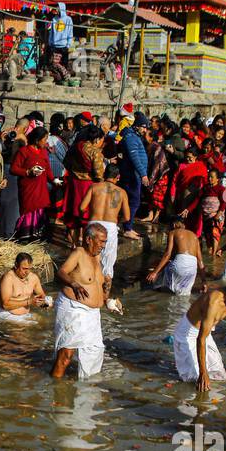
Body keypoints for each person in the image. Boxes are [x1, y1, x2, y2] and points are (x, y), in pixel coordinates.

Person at [174, 274, 226, 393]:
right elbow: (200, 339)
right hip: (188, 335)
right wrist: (203, 373)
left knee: (220, 376)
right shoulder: (214, 302)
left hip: (206, 335)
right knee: (197, 382)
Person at [51, 223, 109, 380]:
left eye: (105, 242)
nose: (103, 246)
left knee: (94, 352)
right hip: (74, 309)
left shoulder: (97, 257)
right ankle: (55, 390)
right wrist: (74, 284)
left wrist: (108, 299)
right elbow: (62, 271)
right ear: (89, 239)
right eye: (101, 241)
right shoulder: (79, 252)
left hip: (92, 314)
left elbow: (98, 284)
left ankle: (86, 395)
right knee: (66, 355)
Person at [79, 163, 130, 296]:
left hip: (93, 225)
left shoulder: (94, 187)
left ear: (104, 174)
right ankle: (103, 298)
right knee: (107, 267)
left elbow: (81, 207)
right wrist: (116, 220)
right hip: (110, 227)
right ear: (117, 177)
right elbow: (127, 216)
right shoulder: (122, 192)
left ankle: (87, 294)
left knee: (89, 261)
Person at [11, 127, 54, 243]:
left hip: (41, 189)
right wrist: (28, 172)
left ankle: (37, 238)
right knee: (28, 211)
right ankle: (25, 237)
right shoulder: (24, 151)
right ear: (36, 140)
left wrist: (53, 180)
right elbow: (14, 168)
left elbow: (48, 169)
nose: (46, 142)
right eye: (44, 139)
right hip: (28, 188)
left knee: (40, 210)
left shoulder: (44, 152)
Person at [146, 216, 203, 295]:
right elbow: (200, 261)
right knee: (183, 297)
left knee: (158, 285)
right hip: (192, 270)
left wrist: (155, 272)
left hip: (179, 265)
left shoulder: (173, 232)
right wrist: (204, 282)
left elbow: (167, 255)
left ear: (173, 225)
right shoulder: (194, 236)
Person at [0, 252, 51, 323]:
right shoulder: (8, 278)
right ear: (16, 265)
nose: (27, 272)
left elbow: (41, 295)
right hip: (5, 314)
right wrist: (29, 302)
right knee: (30, 330)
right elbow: (5, 304)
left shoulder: (33, 277)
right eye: (24, 268)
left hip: (23, 315)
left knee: (44, 323)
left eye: (29, 268)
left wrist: (45, 303)